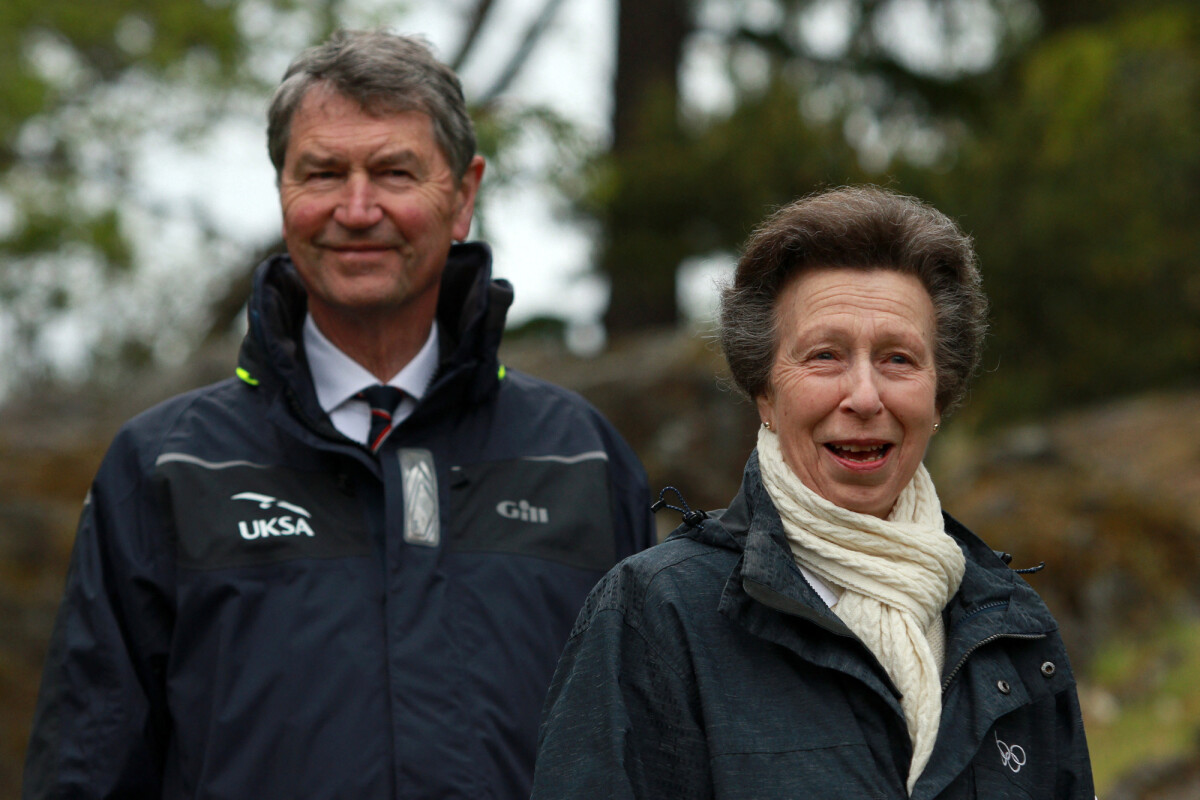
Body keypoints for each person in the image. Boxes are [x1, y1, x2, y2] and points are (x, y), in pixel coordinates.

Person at [23, 29, 654, 799]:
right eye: (322, 172)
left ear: (462, 196)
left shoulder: (582, 461)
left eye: (394, 172)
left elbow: (652, 756)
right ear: (283, 191)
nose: (357, 210)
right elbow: (88, 769)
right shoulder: (165, 469)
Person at [532, 186, 1095, 798]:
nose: (863, 396)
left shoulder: (1014, 632)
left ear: (940, 397)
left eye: (898, 359)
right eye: (825, 356)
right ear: (765, 394)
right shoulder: (657, 615)